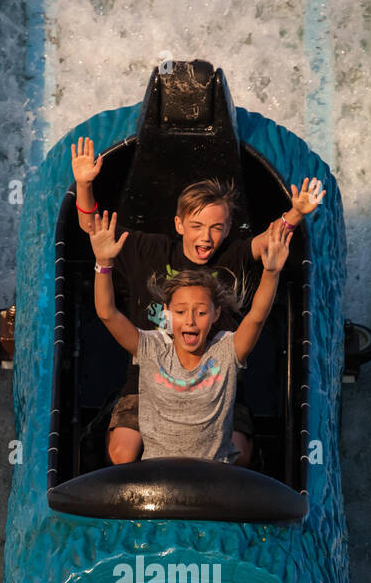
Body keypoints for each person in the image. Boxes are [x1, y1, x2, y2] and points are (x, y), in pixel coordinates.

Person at [70, 138, 325, 464]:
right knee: (123, 453)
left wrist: (296, 212)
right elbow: (95, 230)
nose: (206, 237)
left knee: (236, 456)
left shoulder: (233, 257)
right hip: (151, 379)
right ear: (180, 225)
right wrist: (84, 184)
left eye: (216, 228)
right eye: (197, 226)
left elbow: (271, 244)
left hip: (217, 379)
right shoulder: (150, 251)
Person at [88, 211, 293, 465]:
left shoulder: (226, 350)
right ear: (167, 314)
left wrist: (271, 272)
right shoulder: (152, 347)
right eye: (181, 312)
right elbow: (107, 313)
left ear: (216, 314)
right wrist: (103, 263)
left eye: (201, 312)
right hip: (159, 479)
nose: (191, 320)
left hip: (211, 480)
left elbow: (257, 317)